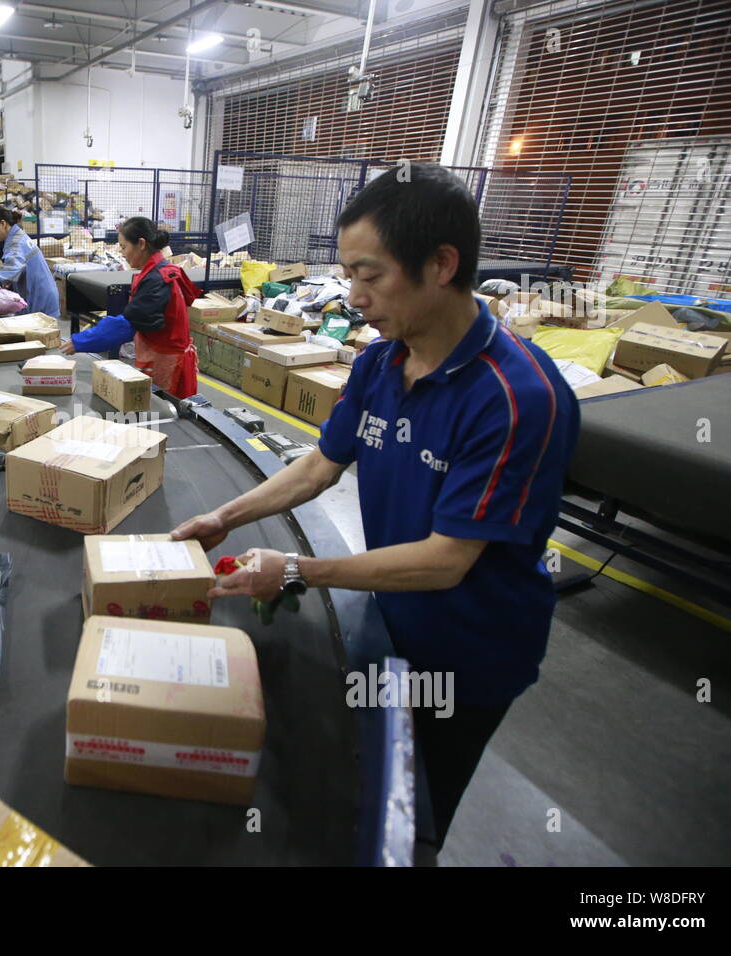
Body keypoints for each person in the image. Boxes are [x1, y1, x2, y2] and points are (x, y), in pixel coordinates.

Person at [170, 164, 580, 856]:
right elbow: (321, 464)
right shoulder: (379, 363)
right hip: (389, 618)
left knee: (410, 812)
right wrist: (226, 517)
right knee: (355, 769)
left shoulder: (516, 398)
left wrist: (298, 569)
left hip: (467, 649)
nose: (354, 297)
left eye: (371, 275)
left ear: (441, 264)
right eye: (348, 275)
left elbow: (449, 562)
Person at [60, 216, 199, 399]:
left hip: (168, 365)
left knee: (162, 414)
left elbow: (126, 325)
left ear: (141, 244)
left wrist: (81, 341)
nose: (122, 253)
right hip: (162, 357)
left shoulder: (157, 280)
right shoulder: (159, 271)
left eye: (124, 247)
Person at [0, 206, 58, 317]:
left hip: (39, 298)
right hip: (40, 294)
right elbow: (20, 267)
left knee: (37, 332)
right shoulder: (16, 236)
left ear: (3, 224)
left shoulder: (15, 241)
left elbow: (13, 266)